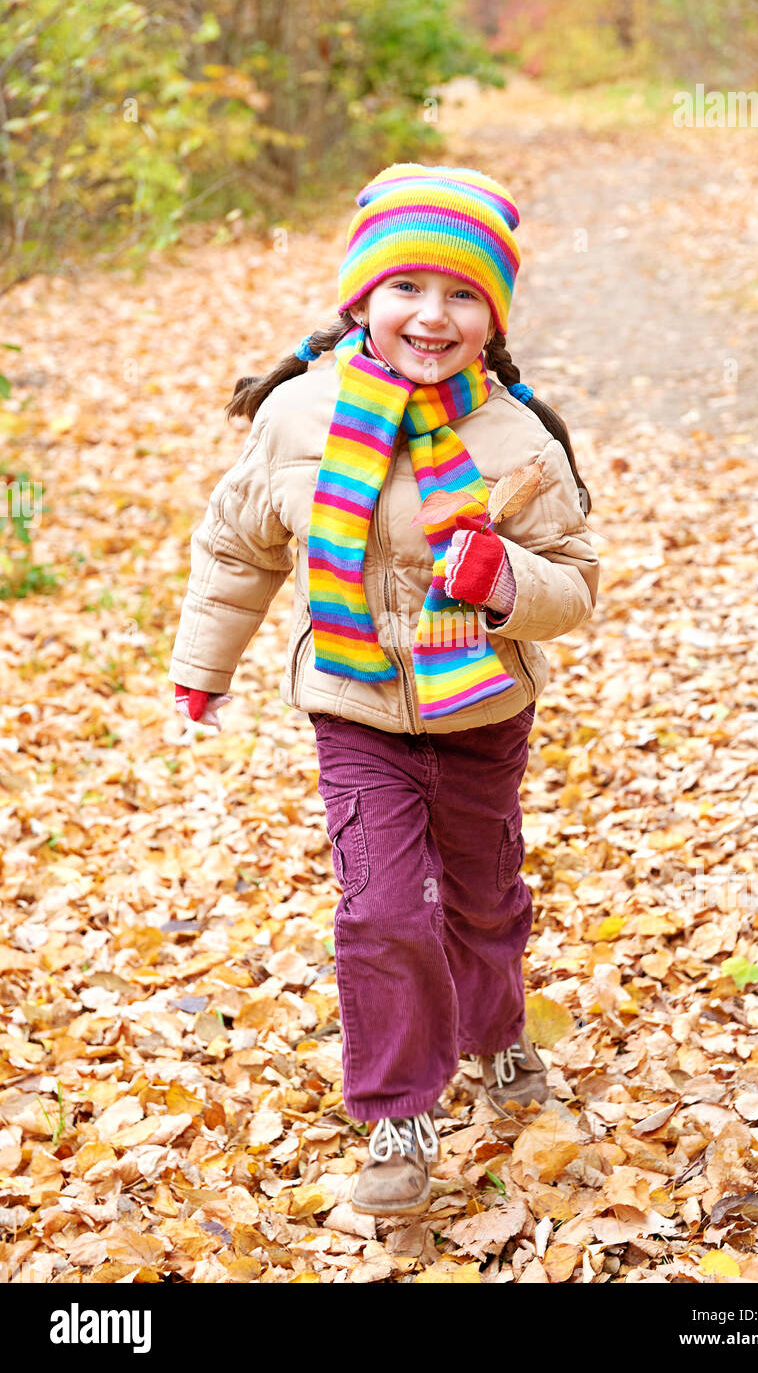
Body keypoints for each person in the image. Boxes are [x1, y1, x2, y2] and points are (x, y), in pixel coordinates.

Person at [170, 163, 600, 1217]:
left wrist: (504, 583)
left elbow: (577, 580)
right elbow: (238, 547)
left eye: (463, 295)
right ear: (363, 296)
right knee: (381, 908)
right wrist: (202, 667)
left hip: (483, 710)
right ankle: (399, 1111)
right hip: (356, 704)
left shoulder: (517, 435)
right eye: (408, 287)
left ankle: (496, 1031)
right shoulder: (298, 418)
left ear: (490, 318)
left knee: (483, 897)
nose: (433, 314)